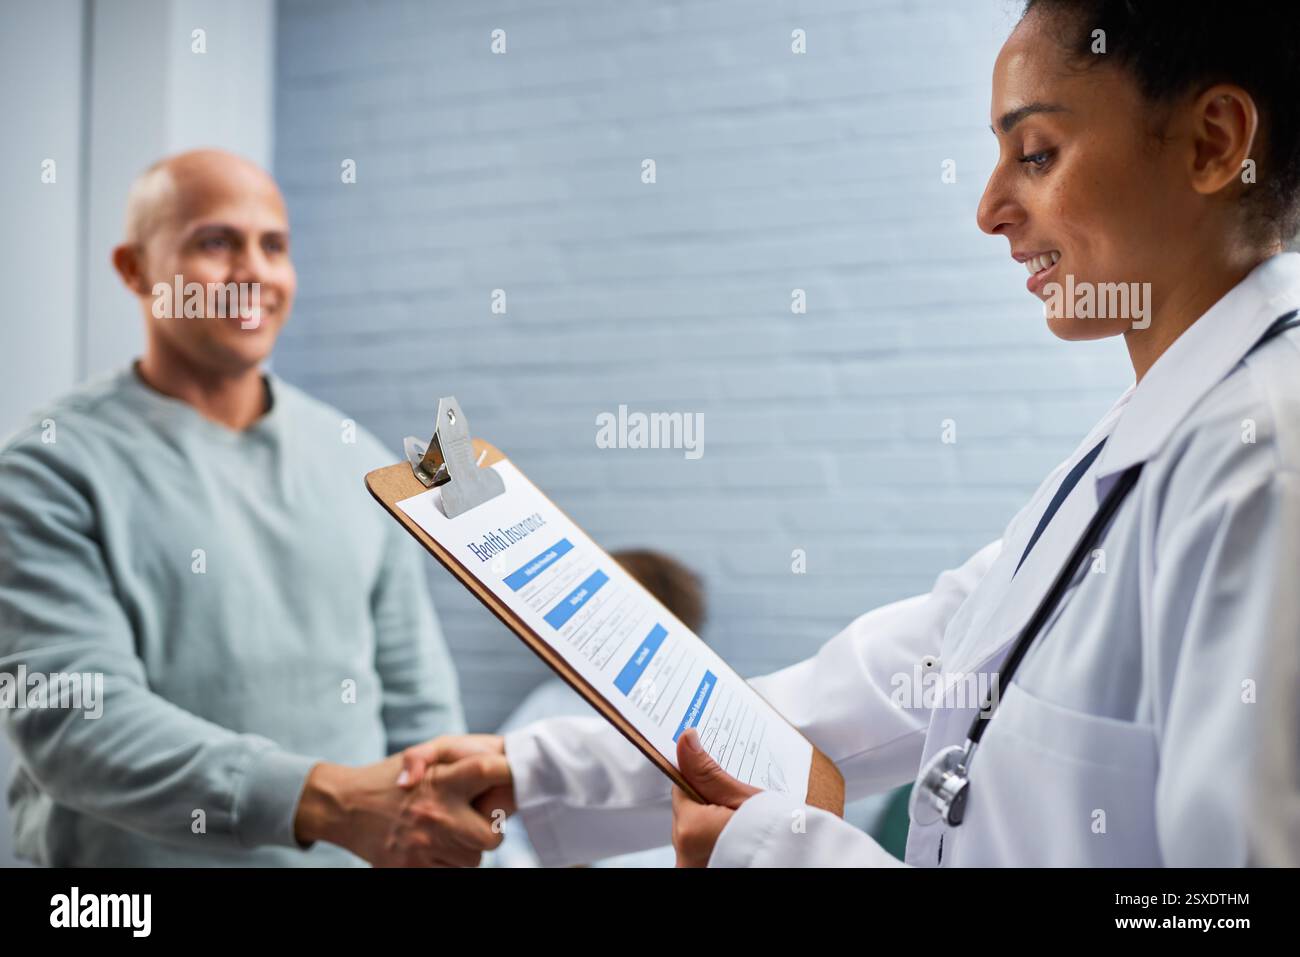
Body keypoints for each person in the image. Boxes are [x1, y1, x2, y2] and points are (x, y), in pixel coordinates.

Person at [398, 0, 1300, 866]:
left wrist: (788, 857)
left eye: (1036, 152)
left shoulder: (1264, 461)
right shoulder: (1141, 440)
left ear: (1213, 143)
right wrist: (529, 771)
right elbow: (892, 681)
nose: (988, 208)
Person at [0, 149, 505, 867]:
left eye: (274, 245)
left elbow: (418, 704)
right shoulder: (50, 465)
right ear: (134, 269)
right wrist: (330, 802)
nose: (255, 272)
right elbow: (74, 720)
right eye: (216, 242)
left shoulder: (353, 456)